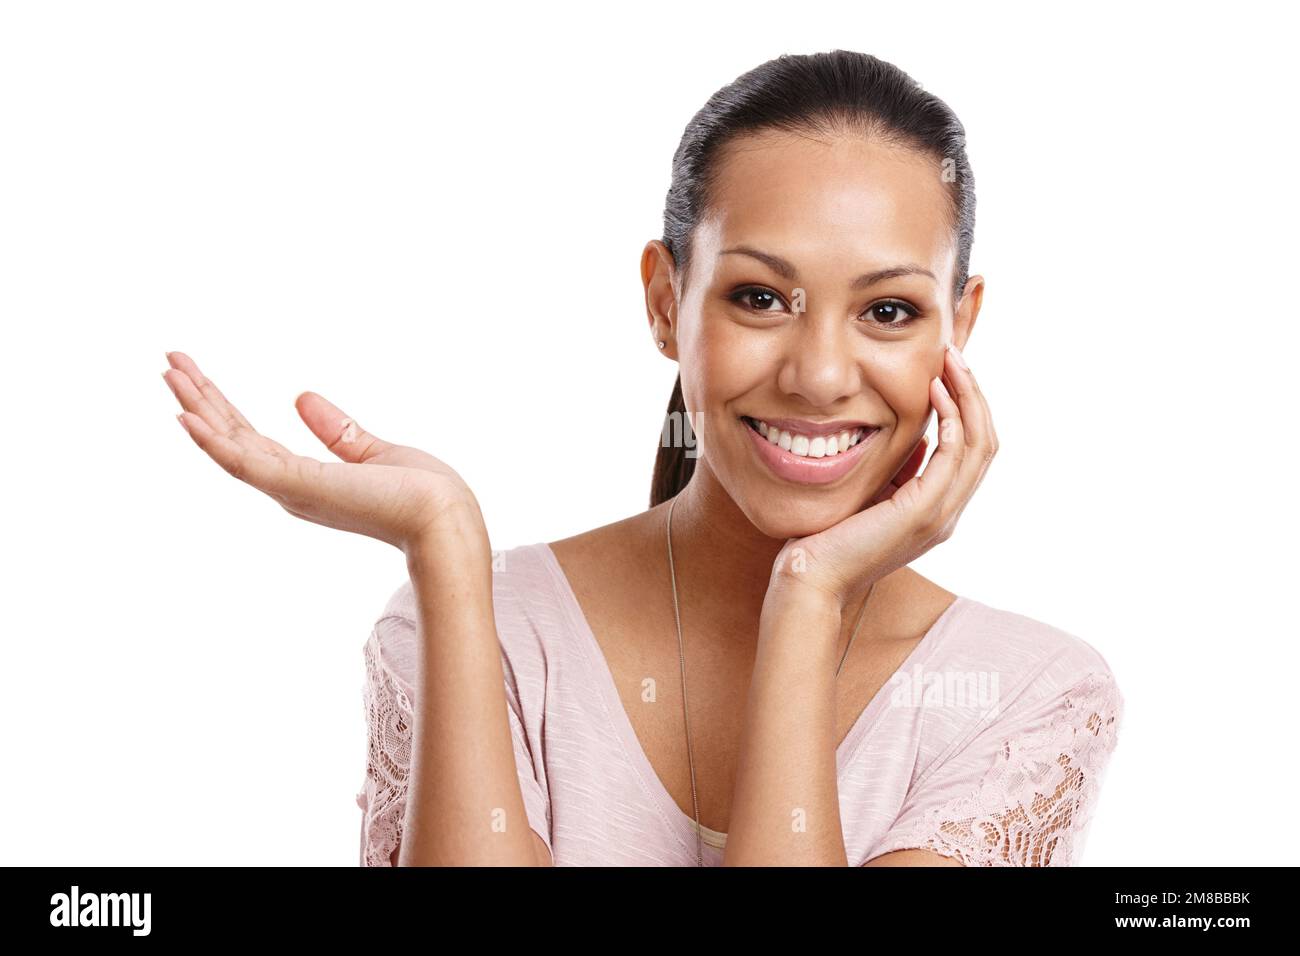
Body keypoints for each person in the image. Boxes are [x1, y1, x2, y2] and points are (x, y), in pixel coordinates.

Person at [163, 50, 1124, 867]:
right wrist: (447, 552)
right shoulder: (487, 631)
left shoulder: (1032, 697)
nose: (822, 374)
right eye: (759, 297)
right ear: (666, 302)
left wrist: (808, 598)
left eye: (888, 311)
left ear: (960, 325)